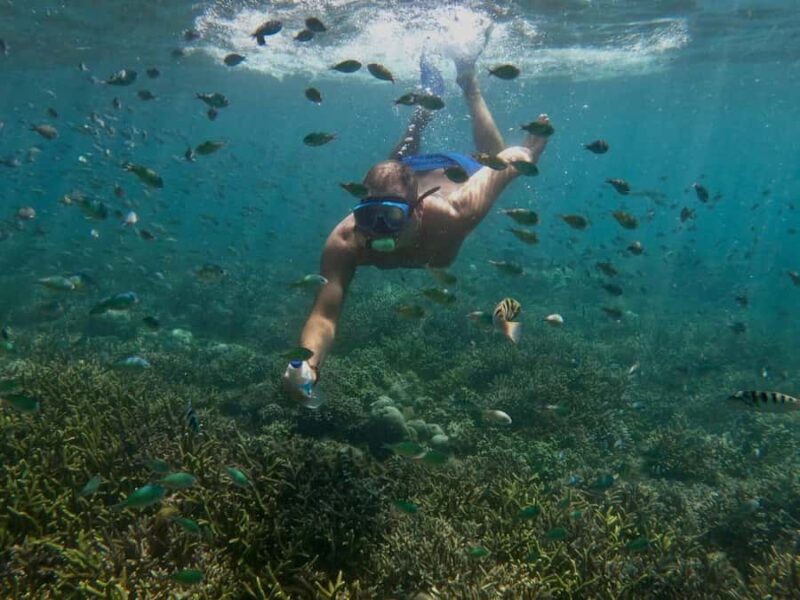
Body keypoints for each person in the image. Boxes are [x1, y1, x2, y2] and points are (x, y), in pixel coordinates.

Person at [283, 47, 552, 404]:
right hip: (406, 169)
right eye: (369, 218)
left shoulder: (456, 211)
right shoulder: (347, 240)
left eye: (392, 219)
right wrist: (307, 366)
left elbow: (506, 162)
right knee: (394, 164)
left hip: (451, 167)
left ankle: (468, 82)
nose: (379, 232)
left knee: (493, 153)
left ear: (420, 210)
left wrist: (529, 152)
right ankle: (424, 110)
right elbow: (324, 315)